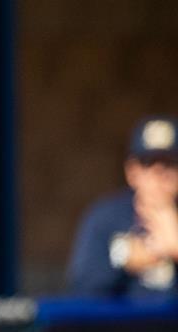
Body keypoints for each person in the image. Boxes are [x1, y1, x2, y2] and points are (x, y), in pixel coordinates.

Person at [68, 116, 178, 301]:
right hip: (122, 329)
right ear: (132, 171)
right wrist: (123, 261)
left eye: (170, 163)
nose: (159, 173)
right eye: (148, 163)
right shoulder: (106, 218)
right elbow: (82, 288)